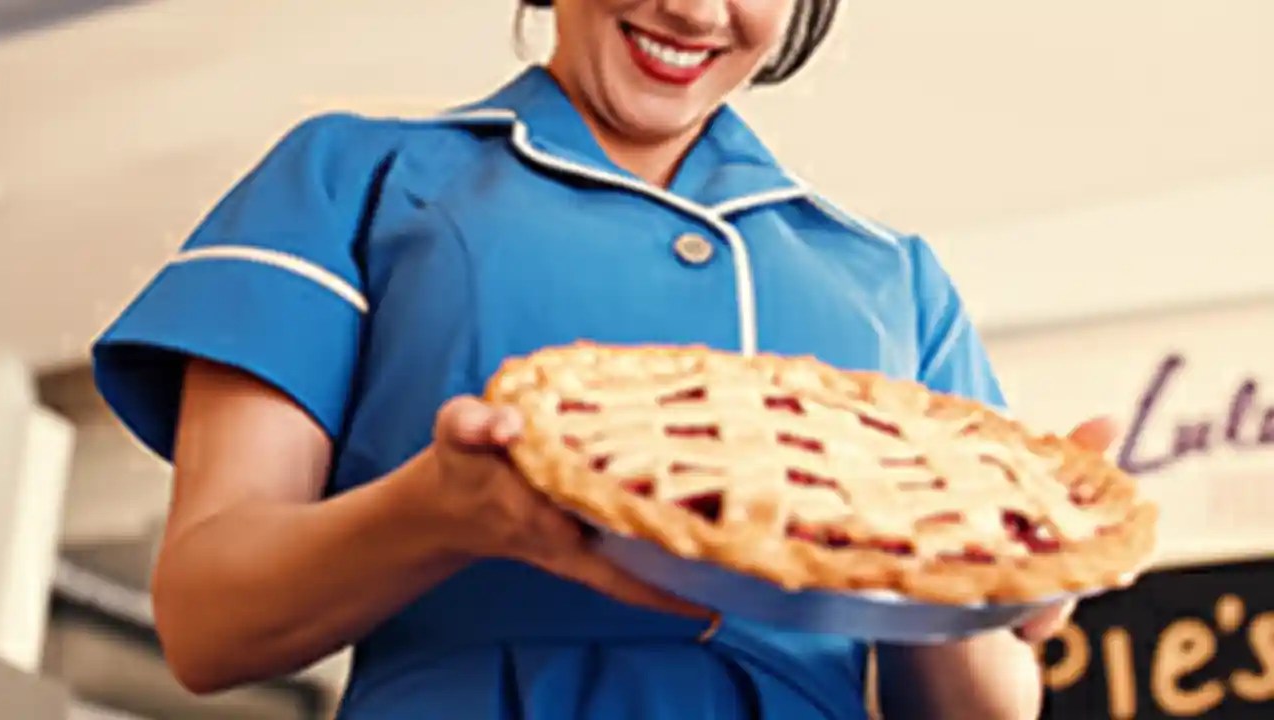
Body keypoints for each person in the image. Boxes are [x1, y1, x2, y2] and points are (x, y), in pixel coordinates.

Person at [92, 0, 1118, 717]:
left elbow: (977, 711)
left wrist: (985, 592)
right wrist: (440, 511)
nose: (691, 8)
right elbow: (206, 622)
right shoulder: (351, 181)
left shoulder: (893, 281)